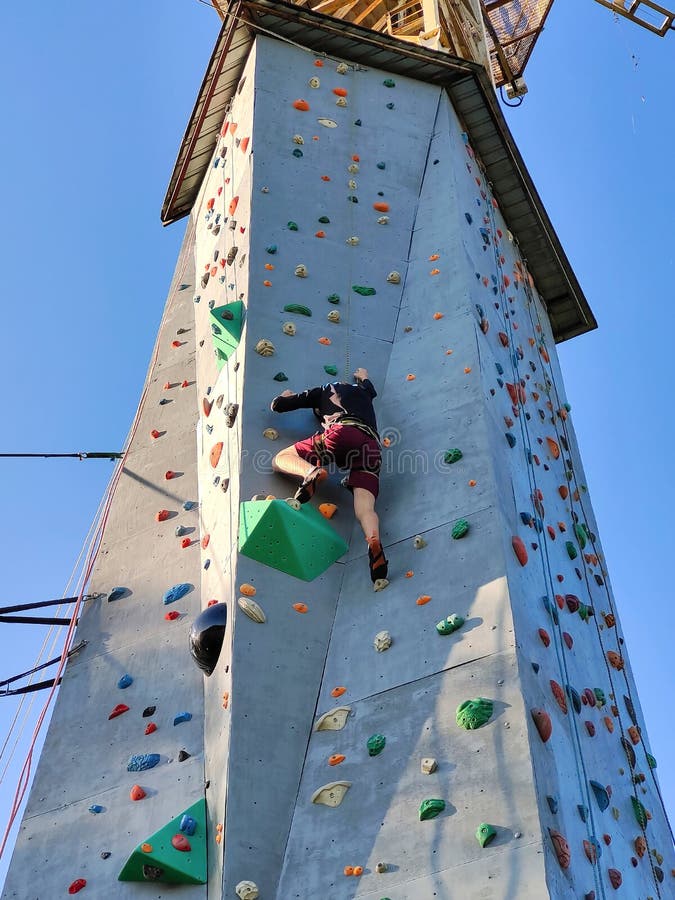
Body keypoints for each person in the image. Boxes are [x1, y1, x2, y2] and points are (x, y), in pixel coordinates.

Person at [270, 367, 388, 583]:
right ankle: (373, 538)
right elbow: (369, 387)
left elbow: (279, 406)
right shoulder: (364, 392)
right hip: (371, 445)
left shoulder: (324, 389)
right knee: (365, 509)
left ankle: (310, 472)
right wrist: (363, 376)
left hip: (342, 432)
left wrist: (284, 396)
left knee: (280, 458)